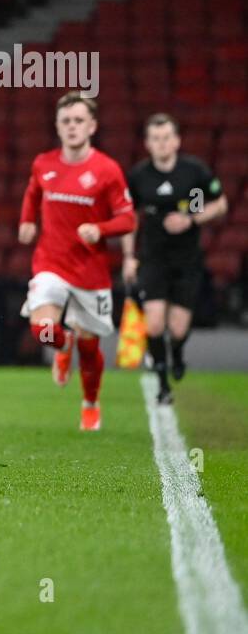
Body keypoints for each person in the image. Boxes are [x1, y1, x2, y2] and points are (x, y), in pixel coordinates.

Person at [18, 92, 135, 430]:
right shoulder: (44, 163)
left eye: (78, 121)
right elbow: (33, 192)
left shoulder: (107, 170)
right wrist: (27, 220)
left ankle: (90, 402)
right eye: (66, 121)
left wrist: (100, 229)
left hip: (90, 271)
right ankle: (61, 342)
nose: (72, 127)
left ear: (92, 126)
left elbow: (128, 220)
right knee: (41, 330)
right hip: (50, 263)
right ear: (57, 126)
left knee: (89, 346)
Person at [123, 113, 227, 405]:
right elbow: (129, 216)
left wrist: (191, 220)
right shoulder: (139, 177)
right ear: (147, 143)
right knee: (154, 325)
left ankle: (178, 353)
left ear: (177, 140)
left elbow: (218, 203)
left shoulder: (193, 174)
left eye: (167, 137)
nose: (162, 144)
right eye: (155, 138)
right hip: (153, 258)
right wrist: (129, 257)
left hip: (187, 260)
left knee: (178, 329)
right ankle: (162, 384)